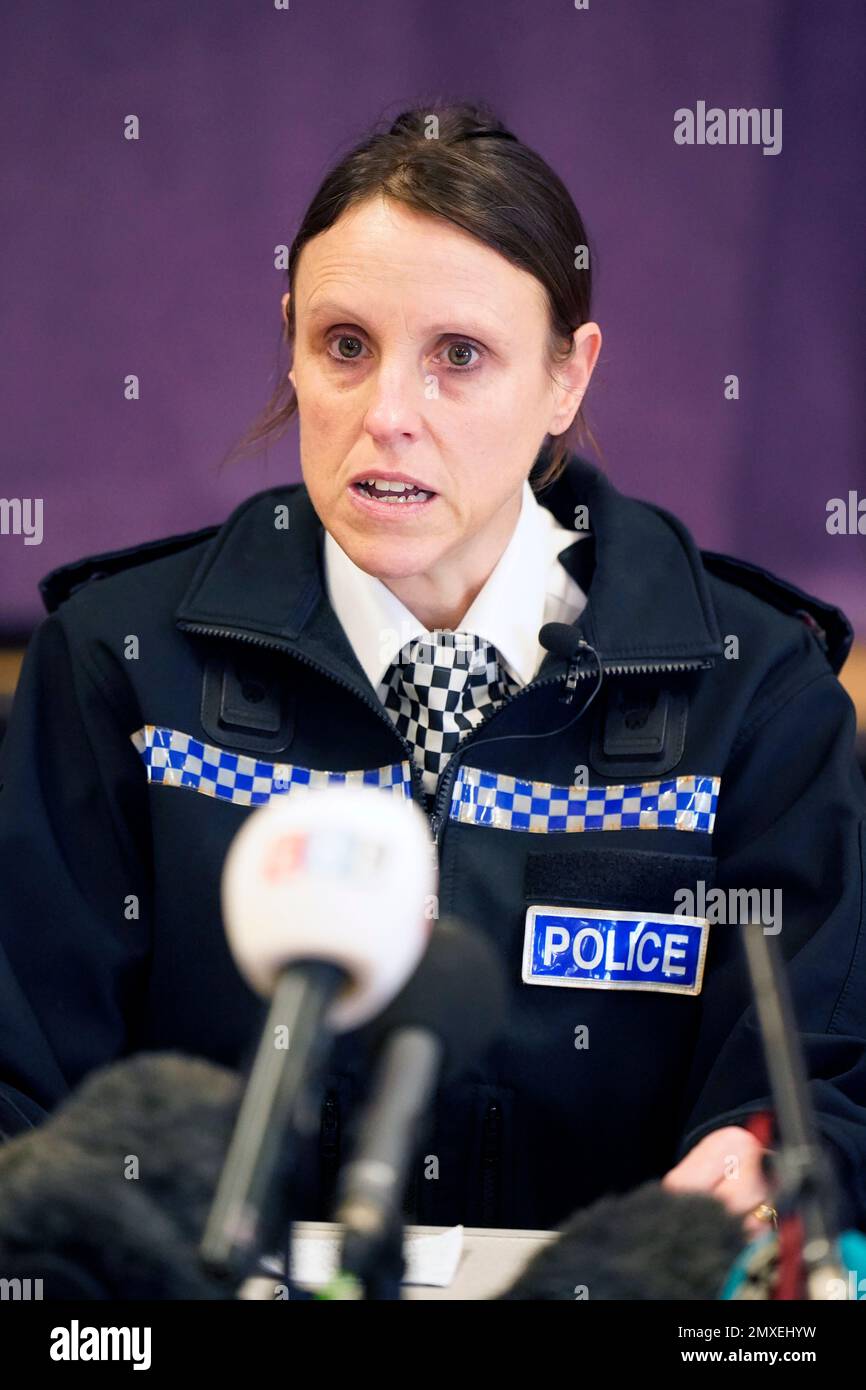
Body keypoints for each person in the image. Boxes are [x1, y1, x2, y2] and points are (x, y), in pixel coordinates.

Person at [1, 102, 864, 1237]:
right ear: (292, 344)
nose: (387, 416)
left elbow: (826, 1084)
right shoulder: (116, 666)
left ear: (566, 377)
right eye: (344, 346)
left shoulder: (752, 691)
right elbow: (21, 1090)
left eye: (458, 356)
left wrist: (760, 1170)